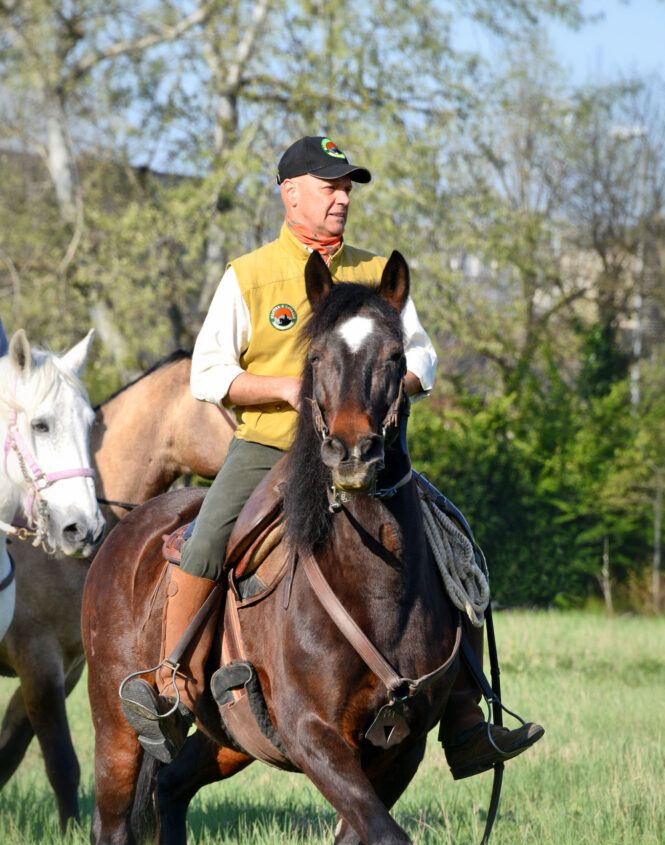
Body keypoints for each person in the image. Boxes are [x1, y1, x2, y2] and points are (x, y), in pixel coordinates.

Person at [121, 136, 543, 772]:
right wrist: (286, 389)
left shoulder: (377, 273)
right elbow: (207, 374)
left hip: (372, 453)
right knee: (206, 540)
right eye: (329, 186)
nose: (342, 198)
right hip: (270, 447)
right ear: (292, 194)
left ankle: (463, 718)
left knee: (451, 545)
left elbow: (423, 353)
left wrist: (388, 385)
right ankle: (169, 687)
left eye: (347, 188)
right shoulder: (249, 275)